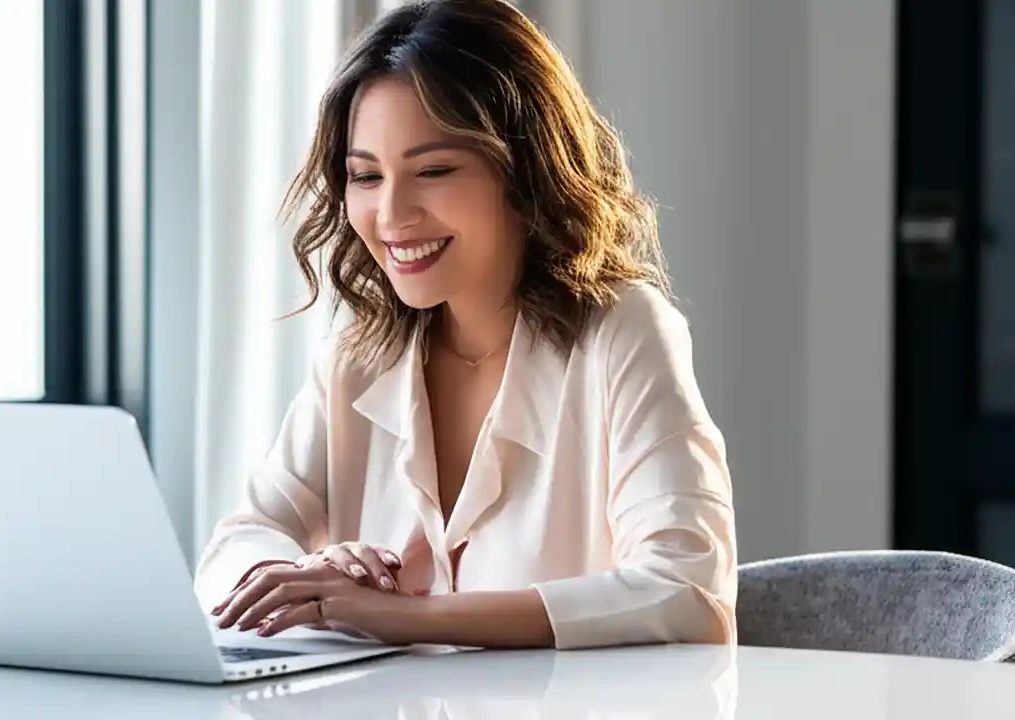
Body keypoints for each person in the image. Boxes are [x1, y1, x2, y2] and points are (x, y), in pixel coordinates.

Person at [196, 0, 736, 650]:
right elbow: (235, 546)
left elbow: (687, 593)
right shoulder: (358, 358)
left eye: (433, 171)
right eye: (365, 176)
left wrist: (400, 616)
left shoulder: (622, 333)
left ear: (525, 170)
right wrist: (303, 577)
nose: (391, 215)